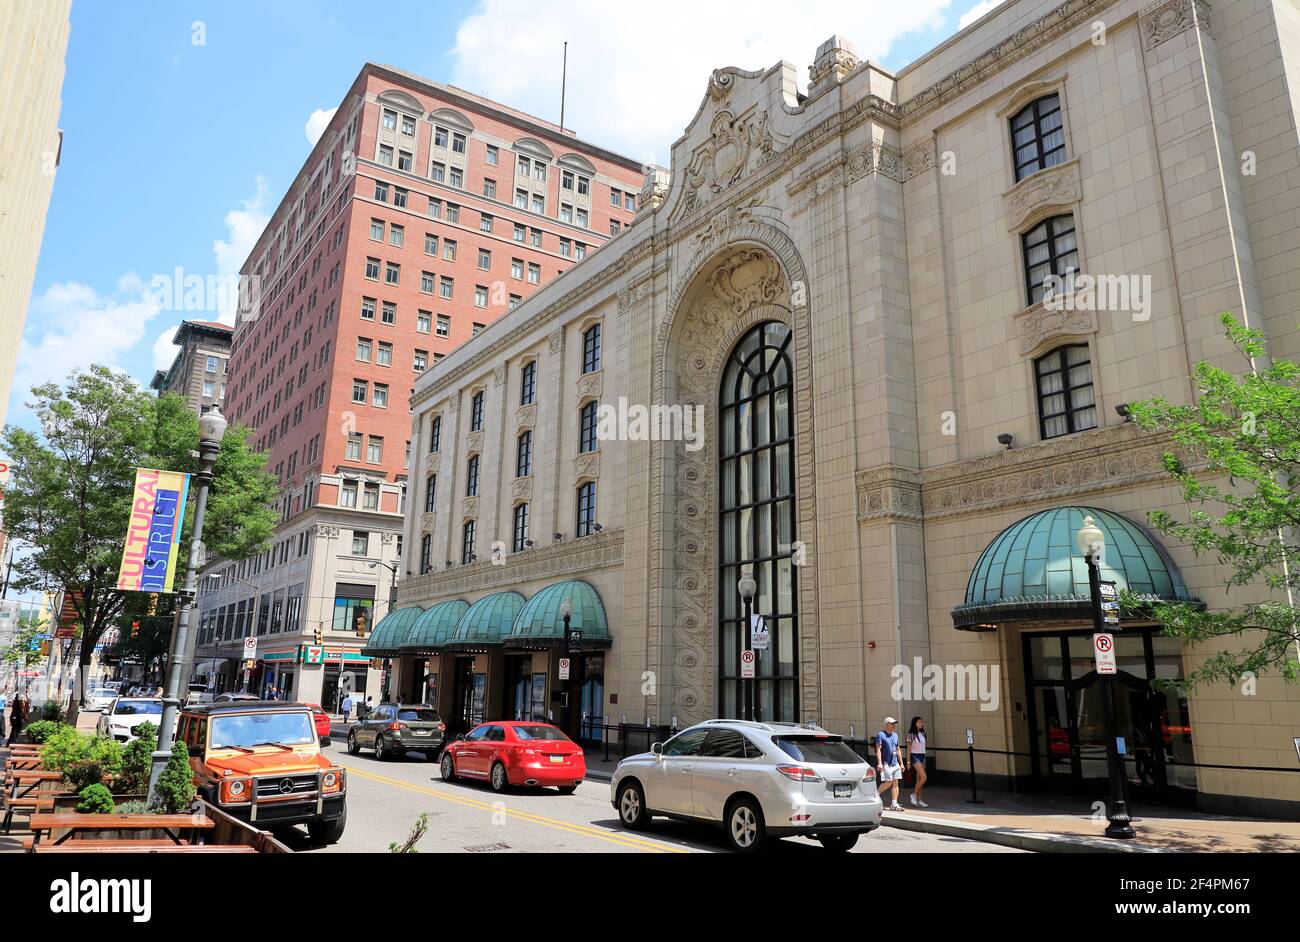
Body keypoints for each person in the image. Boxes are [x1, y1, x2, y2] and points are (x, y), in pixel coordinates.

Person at [875, 716, 904, 811]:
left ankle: (894, 804)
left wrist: (901, 763)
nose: (894, 725)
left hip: (895, 763)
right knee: (888, 782)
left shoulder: (895, 735)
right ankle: (875, 794)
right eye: (892, 723)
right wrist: (879, 763)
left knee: (896, 782)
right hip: (885, 763)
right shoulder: (881, 735)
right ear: (887, 724)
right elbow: (878, 750)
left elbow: (898, 749)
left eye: (894, 723)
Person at [906, 715, 929, 807]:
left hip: (922, 756)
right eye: (919, 722)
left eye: (922, 722)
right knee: (924, 777)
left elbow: (923, 748)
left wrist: (925, 759)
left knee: (919, 779)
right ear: (914, 723)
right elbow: (908, 749)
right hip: (914, 757)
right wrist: (908, 762)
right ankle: (914, 794)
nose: (921, 724)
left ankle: (919, 799)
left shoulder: (923, 734)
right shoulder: (911, 734)